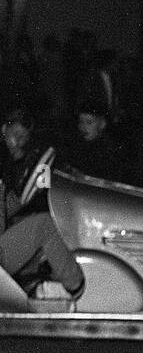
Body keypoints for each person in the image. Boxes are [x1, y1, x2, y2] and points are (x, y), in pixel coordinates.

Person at [0, 105, 84, 301]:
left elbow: (12, 204)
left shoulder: (16, 163)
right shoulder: (5, 161)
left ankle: (33, 288)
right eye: (15, 135)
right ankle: (78, 288)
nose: (19, 142)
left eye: (24, 137)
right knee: (44, 225)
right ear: (3, 129)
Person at [62, 101, 129, 182]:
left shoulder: (110, 149)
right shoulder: (75, 144)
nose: (83, 127)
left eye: (89, 122)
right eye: (81, 122)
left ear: (102, 124)